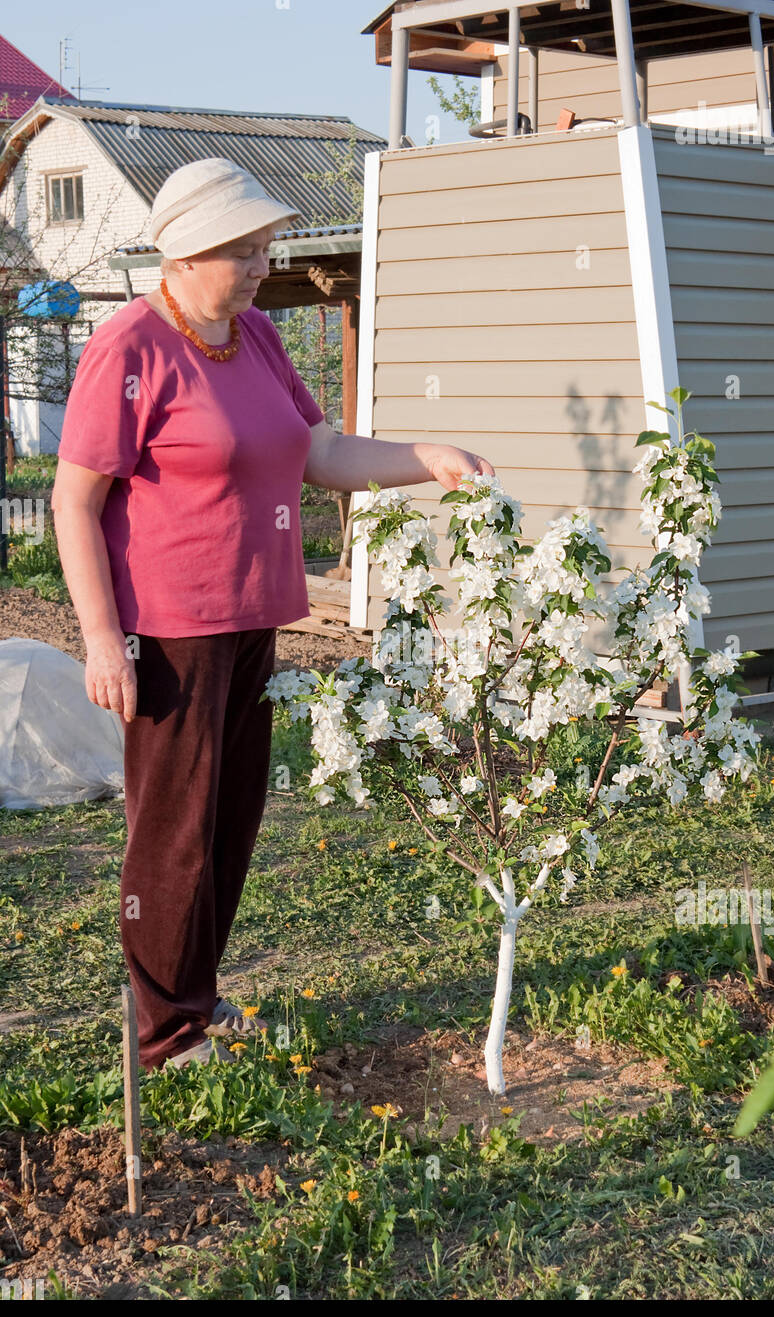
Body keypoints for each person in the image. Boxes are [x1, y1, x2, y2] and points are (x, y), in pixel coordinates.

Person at [52, 157, 495, 1072]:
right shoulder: (129, 348)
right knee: (174, 832)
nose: (263, 266)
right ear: (185, 252)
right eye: (246, 251)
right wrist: (103, 641)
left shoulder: (253, 339)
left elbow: (320, 453)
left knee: (229, 821)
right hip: (169, 634)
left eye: (265, 247)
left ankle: (199, 1002)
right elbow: (72, 500)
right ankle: (166, 1035)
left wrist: (426, 455)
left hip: (254, 619)